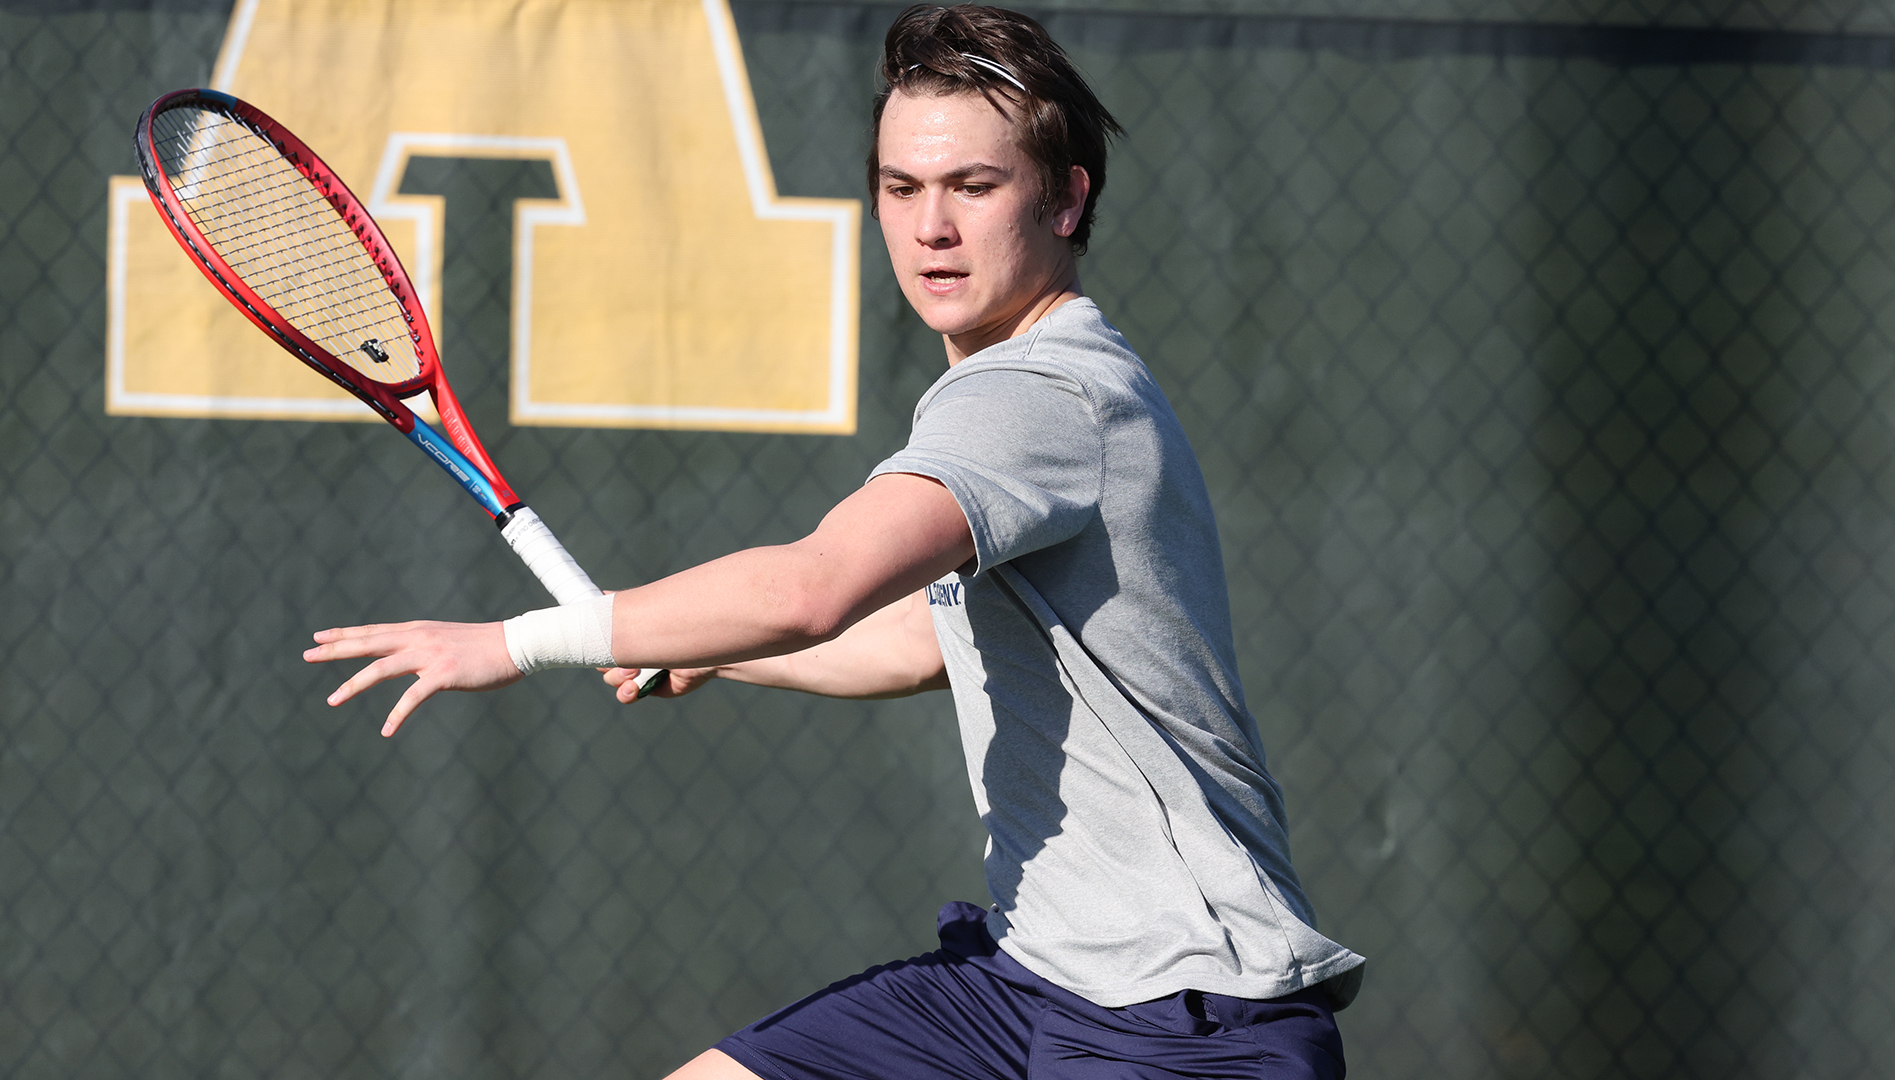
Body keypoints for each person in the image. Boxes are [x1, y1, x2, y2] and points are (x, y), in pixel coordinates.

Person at [305, 4, 1365, 1077]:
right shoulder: (1021, 385)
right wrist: (713, 645)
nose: (930, 227)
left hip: (1187, 1018)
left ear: (1067, 199)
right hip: (1030, 981)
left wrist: (517, 642)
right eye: (902, 188)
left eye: (974, 186)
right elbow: (916, 642)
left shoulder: (1039, 394)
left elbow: (816, 587)